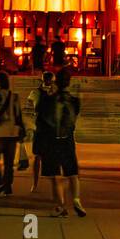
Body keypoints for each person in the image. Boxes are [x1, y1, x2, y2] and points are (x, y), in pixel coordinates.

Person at [45, 67, 86, 217]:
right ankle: (76, 199)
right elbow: (74, 120)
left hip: (53, 139)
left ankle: (60, 205)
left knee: (56, 174)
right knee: (72, 172)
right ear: (69, 83)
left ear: (56, 81)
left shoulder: (49, 100)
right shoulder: (75, 101)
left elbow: (44, 121)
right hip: (68, 138)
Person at [0, 71, 24, 197]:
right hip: (12, 132)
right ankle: (7, 188)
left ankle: (1, 181)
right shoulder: (14, 96)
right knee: (9, 162)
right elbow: (18, 115)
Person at [26, 70, 57, 193]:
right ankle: (39, 184)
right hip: (45, 127)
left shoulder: (38, 92)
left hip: (43, 127)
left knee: (41, 157)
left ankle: (37, 184)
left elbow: (31, 108)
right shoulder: (38, 92)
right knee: (42, 157)